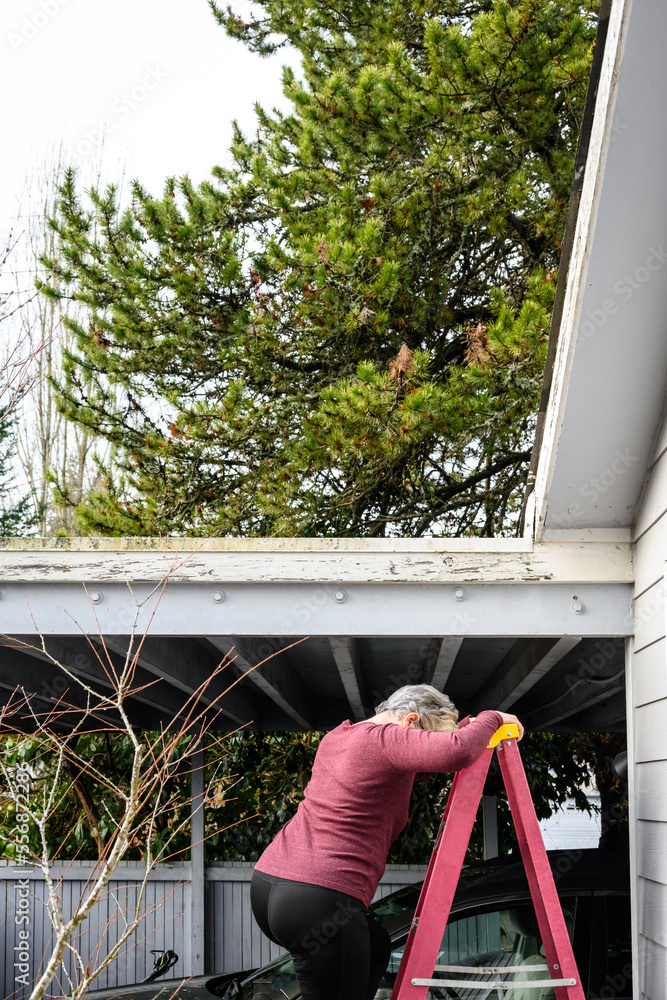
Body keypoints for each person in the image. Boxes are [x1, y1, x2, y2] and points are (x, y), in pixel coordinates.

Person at [251, 684, 523, 1000]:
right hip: (317, 899)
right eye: (427, 736)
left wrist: (466, 730)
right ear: (408, 722)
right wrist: (493, 717)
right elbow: (457, 752)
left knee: (374, 945)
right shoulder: (389, 739)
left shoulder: (341, 736)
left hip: (270, 885)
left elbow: (418, 762)